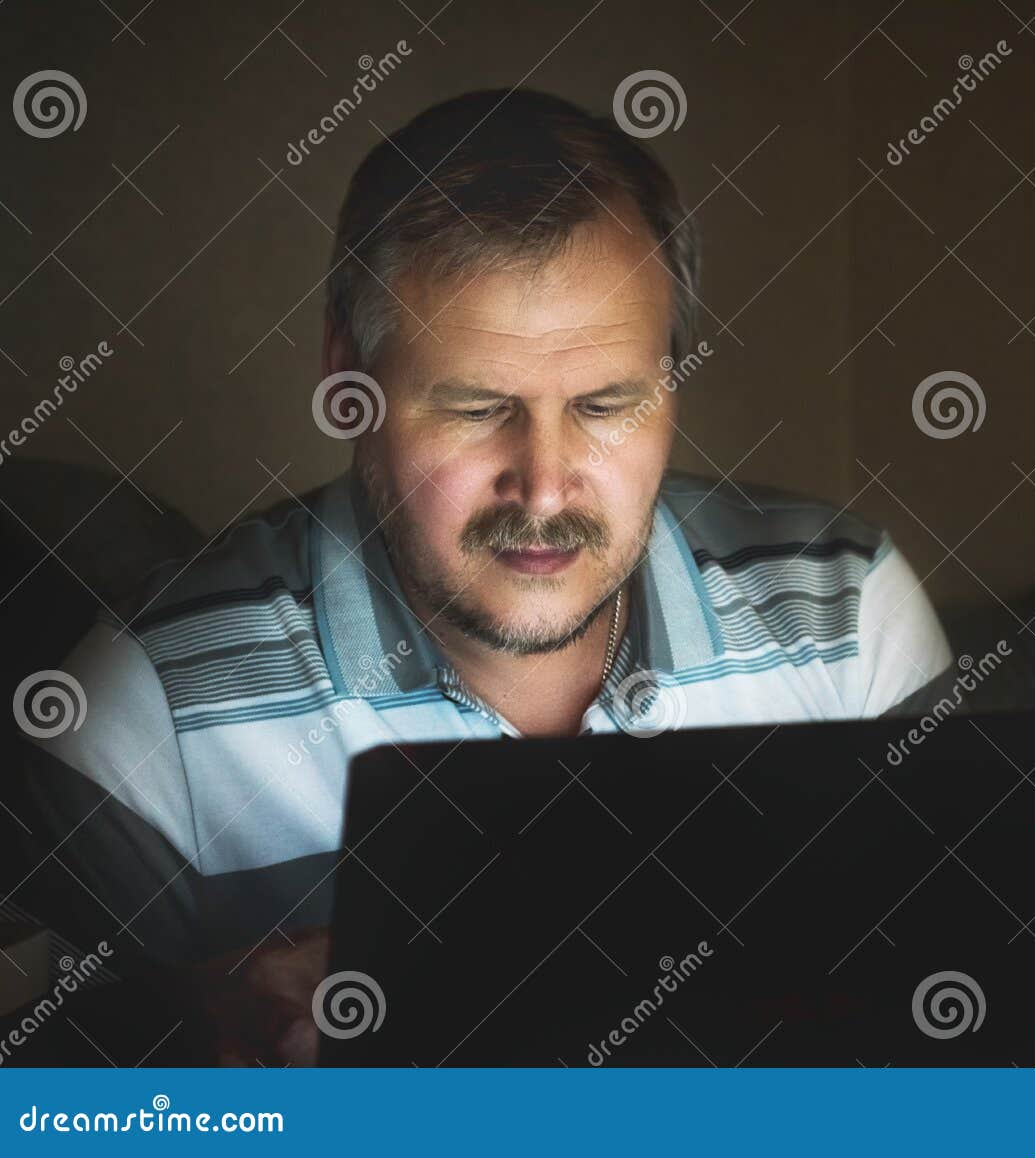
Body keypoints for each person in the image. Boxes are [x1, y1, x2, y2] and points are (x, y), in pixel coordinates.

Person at [9, 89, 952, 1064]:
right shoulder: (132, 724)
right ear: (348, 377)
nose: (544, 489)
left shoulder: (846, 614)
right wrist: (195, 1044)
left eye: (604, 403)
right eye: (471, 408)